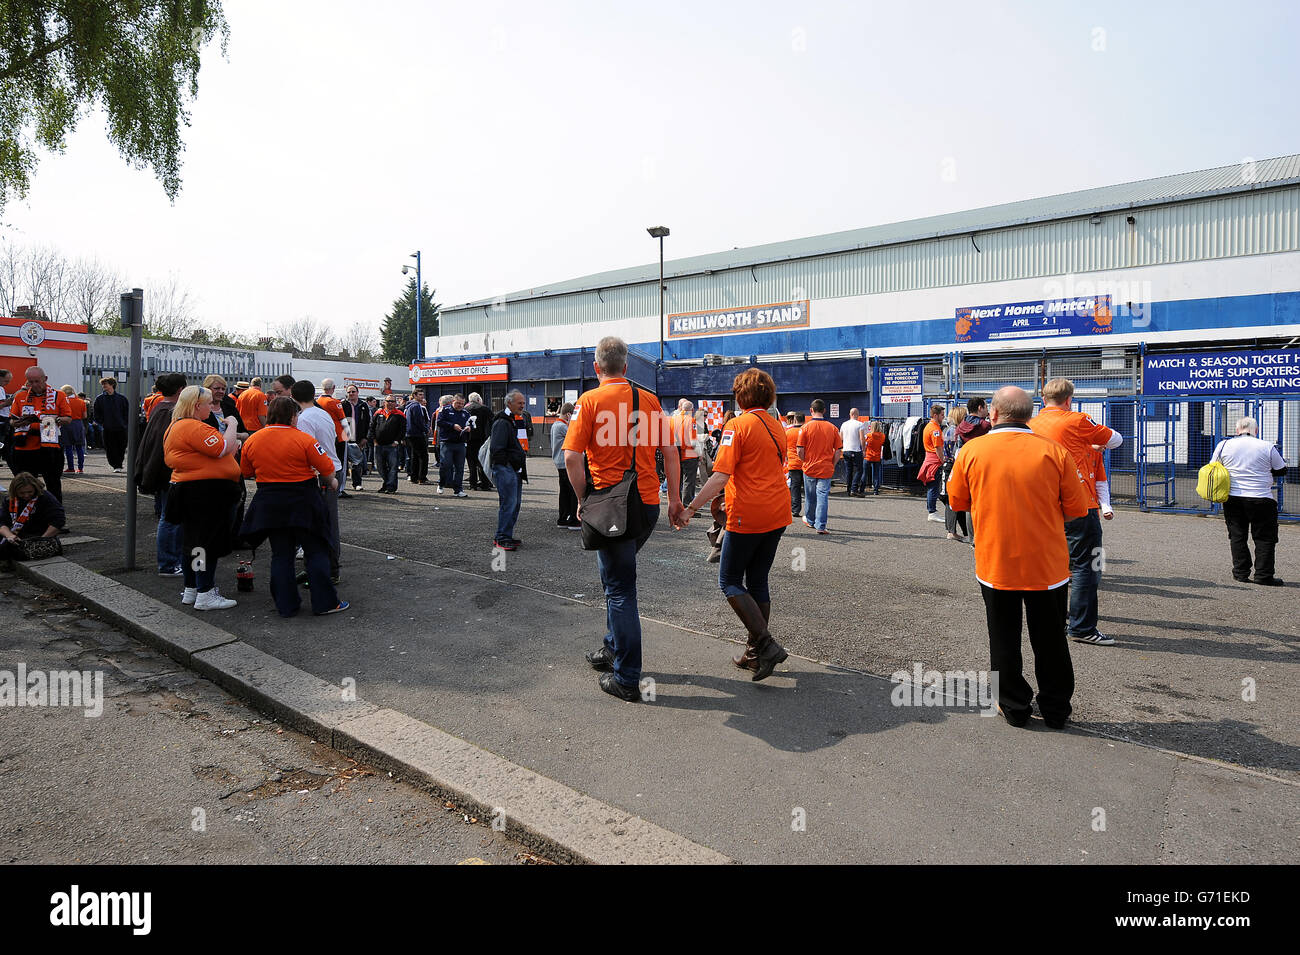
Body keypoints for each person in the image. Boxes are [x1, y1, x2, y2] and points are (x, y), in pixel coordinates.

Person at [946, 386, 1092, 730]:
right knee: (1052, 639)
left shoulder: (971, 451)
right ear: (1029, 415)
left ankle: (1013, 706)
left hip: (997, 563)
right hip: (1048, 566)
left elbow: (957, 502)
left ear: (993, 414)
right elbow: (1076, 510)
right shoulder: (1055, 452)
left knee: (1003, 637)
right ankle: (1056, 709)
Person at [564, 336, 681, 703]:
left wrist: (582, 498)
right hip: (645, 505)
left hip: (611, 506)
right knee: (615, 578)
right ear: (626, 367)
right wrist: (675, 500)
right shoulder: (648, 401)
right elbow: (671, 453)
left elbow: (571, 457)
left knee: (620, 590)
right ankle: (613, 647)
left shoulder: (590, 401)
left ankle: (628, 677)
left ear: (597, 368)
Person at [680, 369, 791, 681]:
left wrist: (690, 508)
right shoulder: (777, 425)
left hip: (748, 513)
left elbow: (719, 476)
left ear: (740, 396)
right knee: (757, 580)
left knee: (728, 579)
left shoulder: (736, 425)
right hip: (777, 511)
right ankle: (754, 654)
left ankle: (766, 645)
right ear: (768, 395)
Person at [1029, 377, 1123, 646]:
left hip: (1045, 503)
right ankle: (1082, 627)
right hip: (1079, 503)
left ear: (1043, 399)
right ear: (1069, 399)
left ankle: (1056, 620)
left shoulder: (1032, 424)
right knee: (1088, 565)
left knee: (1054, 564)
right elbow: (1115, 439)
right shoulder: (1077, 419)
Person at [239, 396, 348, 616]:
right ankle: (325, 603)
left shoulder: (253, 440)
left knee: (281, 554)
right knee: (316, 550)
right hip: (303, 500)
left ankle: (286, 605)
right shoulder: (304, 440)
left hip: (270, 502)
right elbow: (327, 470)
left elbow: (247, 471)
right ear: (292, 416)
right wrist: (334, 483)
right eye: (297, 415)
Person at [163, 385, 243, 611]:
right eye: (208, 403)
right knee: (205, 544)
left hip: (194, 489)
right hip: (205, 493)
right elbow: (221, 448)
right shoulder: (192, 426)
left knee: (193, 542)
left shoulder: (179, 425)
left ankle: (193, 588)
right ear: (197, 406)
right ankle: (205, 592)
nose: (211, 407)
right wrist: (233, 424)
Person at [1211, 416, 1287, 586]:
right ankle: (1263, 575)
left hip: (1233, 498)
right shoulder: (1267, 446)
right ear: (1256, 430)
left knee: (1237, 536)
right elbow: (1281, 470)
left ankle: (1240, 573)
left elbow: (1213, 467)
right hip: (1261, 498)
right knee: (1264, 538)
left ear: (1237, 430)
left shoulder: (1223, 445)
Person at [134, 373, 187, 576]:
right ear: (181, 390)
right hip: (168, 473)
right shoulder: (170, 412)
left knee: (170, 517)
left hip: (161, 471)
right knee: (170, 518)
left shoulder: (159, 407)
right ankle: (168, 564)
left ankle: (170, 562)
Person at [292, 380, 342, 584]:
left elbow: (309, 450)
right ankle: (319, 567)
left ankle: (328, 570)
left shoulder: (304, 419)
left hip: (322, 474)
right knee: (326, 522)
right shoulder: (322, 413)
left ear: (293, 398)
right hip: (331, 470)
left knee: (321, 524)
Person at [9, 366, 72, 502]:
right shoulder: (20, 396)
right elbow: (12, 421)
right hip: (25, 447)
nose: (34, 385)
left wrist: (55, 420)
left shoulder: (58, 395)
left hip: (50, 447)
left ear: (45, 379)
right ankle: (27, 515)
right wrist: (19, 422)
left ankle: (54, 515)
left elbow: (68, 418)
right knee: (26, 486)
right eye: (31, 382)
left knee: (53, 483)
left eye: (37, 381)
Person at [796, 399, 841, 534]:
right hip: (826, 468)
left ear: (811, 410)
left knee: (810, 496)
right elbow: (838, 450)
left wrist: (805, 460)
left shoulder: (805, 428)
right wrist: (832, 463)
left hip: (809, 467)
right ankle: (821, 525)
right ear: (824, 411)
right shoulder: (833, 428)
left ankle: (810, 520)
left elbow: (799, 450)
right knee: (822, 496)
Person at [0, 472, 65, 562]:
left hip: (40, 535)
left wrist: (42, 540)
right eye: (22, 493)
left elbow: (58, 520)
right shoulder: (9, 500)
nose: (26, 495)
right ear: (15, 491)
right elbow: (2, 522)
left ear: (35, 488)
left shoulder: (45, 497)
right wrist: (9, 535)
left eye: (30, 492)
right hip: (15, 534)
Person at [942, 406, 969, 542]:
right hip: (953, 466)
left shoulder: (947, 430)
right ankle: (952, 531)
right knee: (953, 499)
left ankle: (953, 530)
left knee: (950, 499)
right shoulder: (955, 431)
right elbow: (956, 452)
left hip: (947, 465)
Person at [551, 402, 580, 529]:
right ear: (569, 414)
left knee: (564, 491)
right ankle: (573, 519)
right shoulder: (562, 427)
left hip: (559, 462)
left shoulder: (555, 425)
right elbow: (576, 437)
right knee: (573, 491)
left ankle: (563, 518)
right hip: (565, 462)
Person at [369, 394, 406, 493]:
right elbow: (372, 427)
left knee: (393, 467)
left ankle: (391, 487)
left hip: (392, 446)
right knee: (381, 467)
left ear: (396, 403)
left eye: (392, 401)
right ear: (384, 402)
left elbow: (402, 430)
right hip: (379, 445)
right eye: (388, 401)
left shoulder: (400, 414)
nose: (390, 403)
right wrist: (374, 440)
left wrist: (397, 441)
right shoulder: (378, 413)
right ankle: (386, 483)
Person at [93, 377, 130, 472]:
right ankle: (115, 465)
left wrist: (125, 423)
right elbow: (96, 413)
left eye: (106, 384)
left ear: (112, 384)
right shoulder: (100, 399)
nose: (104, 386)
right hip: (107, 428)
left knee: (121, 446)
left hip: (121, 427)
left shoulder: (122, 399)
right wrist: (101, 422)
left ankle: (119, 464)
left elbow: (127, 412)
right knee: (109, 447)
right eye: (103, 384)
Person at [438, 394, 471, 496]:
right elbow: (439, 422)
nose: (460, 405)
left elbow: (471, 424)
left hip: (460, 443)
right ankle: (441, 484)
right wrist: (452, 426)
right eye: (458, 403)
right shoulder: (445, 410)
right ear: (453, 401)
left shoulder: (466, 413)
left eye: (462, 403)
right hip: (447, 442)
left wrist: (469, 428)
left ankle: (458, 490)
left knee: (459, 468)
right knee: (446, 465)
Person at [919, 403, 946, 523]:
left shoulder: (928, 426)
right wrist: (943, 460)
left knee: (932, 487)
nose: (943, 417)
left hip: (929, 459)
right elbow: (938, 447)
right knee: (933, 487)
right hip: (934, 461)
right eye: (941, 415)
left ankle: (932, 511)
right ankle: (932, 512)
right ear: (935, 415)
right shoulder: (935, 429)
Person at [341, 385, 371, 491]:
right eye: (349, 392)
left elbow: (368, 422)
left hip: (359, 437)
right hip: (345, 438)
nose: (351, 394)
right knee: (343, 463)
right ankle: (342, 486)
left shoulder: (363, 405)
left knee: (357, 462)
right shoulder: (343, 404)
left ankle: (357, 483)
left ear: (358, 392)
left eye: (353, 391)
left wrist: (365, 437)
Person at [464, 392, 494, 491]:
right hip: (482, 439)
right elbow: (492, 422)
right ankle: (485, 484)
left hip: (469, 439)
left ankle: (473, 484)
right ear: (478, 400)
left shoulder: (465, 409)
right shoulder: (485, 409)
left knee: (471, 462)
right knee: (483, 462)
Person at [674, 399, 701, 505]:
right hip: (689, 454)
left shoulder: (673, 419)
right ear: (692, 410)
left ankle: (678, 503)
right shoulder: (691, 420)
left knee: (678, 481)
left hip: (676, 454)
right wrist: (699, 453)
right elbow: (692, 440)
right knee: (689, 481)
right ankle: (687, 504)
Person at [59, 385, 87, 474]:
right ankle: (80, 468)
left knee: (68, 447)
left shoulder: (64, 401)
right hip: (78, 424)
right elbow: (85, 416)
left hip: (67, 424)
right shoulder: (81, 402)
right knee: (79, 447)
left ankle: (71, 467)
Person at [840, 409, 865, 496]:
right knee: (859, 470)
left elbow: (841, 438)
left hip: (846, 450)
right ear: (856, 414)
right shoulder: (860, 424)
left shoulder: (844, 424)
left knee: (848, 471)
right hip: (856, 450)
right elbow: (862, 438)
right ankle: (854, 489)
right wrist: (864, 450)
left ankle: (848, 489)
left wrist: (841, 448)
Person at [785, 412, 804, 517]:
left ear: (795, 420)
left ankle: (795, 509)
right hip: (806, 463)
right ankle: (811, 511)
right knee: (809, 488)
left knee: (795, 487)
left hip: (793, 463)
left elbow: (784, 448)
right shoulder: (806, 431)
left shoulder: (788, 432)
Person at [863, 420, 887, 495]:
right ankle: (875, 490)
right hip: (877, 457)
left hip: (868, 456)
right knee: (876, 474)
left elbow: (864, 444)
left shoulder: (869, 435)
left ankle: (862, 489)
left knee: (864, 473)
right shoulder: (883, 436)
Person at [0, 369, 14, 471]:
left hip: (4, 421)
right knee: (7, 450)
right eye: (6, 380)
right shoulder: (0, 389)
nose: (8, 383)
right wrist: (8, 403)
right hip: (2, 422)